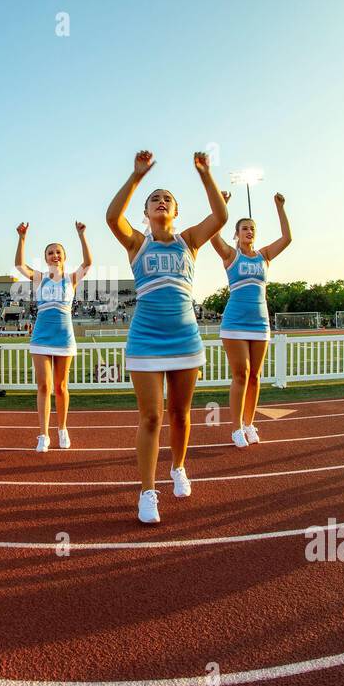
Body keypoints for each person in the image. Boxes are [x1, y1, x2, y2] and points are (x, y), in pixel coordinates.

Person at [106, 149, 228, 524]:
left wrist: (206, 173)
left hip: (185, 339)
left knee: (180, 414)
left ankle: (178, 467)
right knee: (150, 418)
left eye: (168, 200)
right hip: (145, 339)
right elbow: (112, 217)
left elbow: (221, 216)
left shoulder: (189, 240)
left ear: (175, 212)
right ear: (146, 212)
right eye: (155, 200)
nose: (162, 202)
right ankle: (146, 491)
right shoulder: (136, 244)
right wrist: (137, 176)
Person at [208, 190, 291, 448]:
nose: (249, 231)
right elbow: (212, 235)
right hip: (235, 323)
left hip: (260, 323)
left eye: (252, 228)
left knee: (255, 376)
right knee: (241, 374)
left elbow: (287, 238)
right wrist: (223, 205)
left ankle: (249, 423)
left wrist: (280, 207)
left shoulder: (264, 256)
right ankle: (235, 429)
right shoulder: (232, 256)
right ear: (237, 233)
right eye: (244, 228)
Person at [13, 220, 92, 452]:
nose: (54, 255)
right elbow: (19, 264)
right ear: (46, 258)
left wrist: (81, 235)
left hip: (64, 336)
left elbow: (88, 263)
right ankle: (43, 435)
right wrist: (22, 238)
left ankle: (62, 429)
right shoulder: (39, 278)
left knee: (61, 386)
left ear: (63, 257)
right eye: (50, 252)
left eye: (58, 252)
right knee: (43, 386)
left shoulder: (71, 279)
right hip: (41, 336)